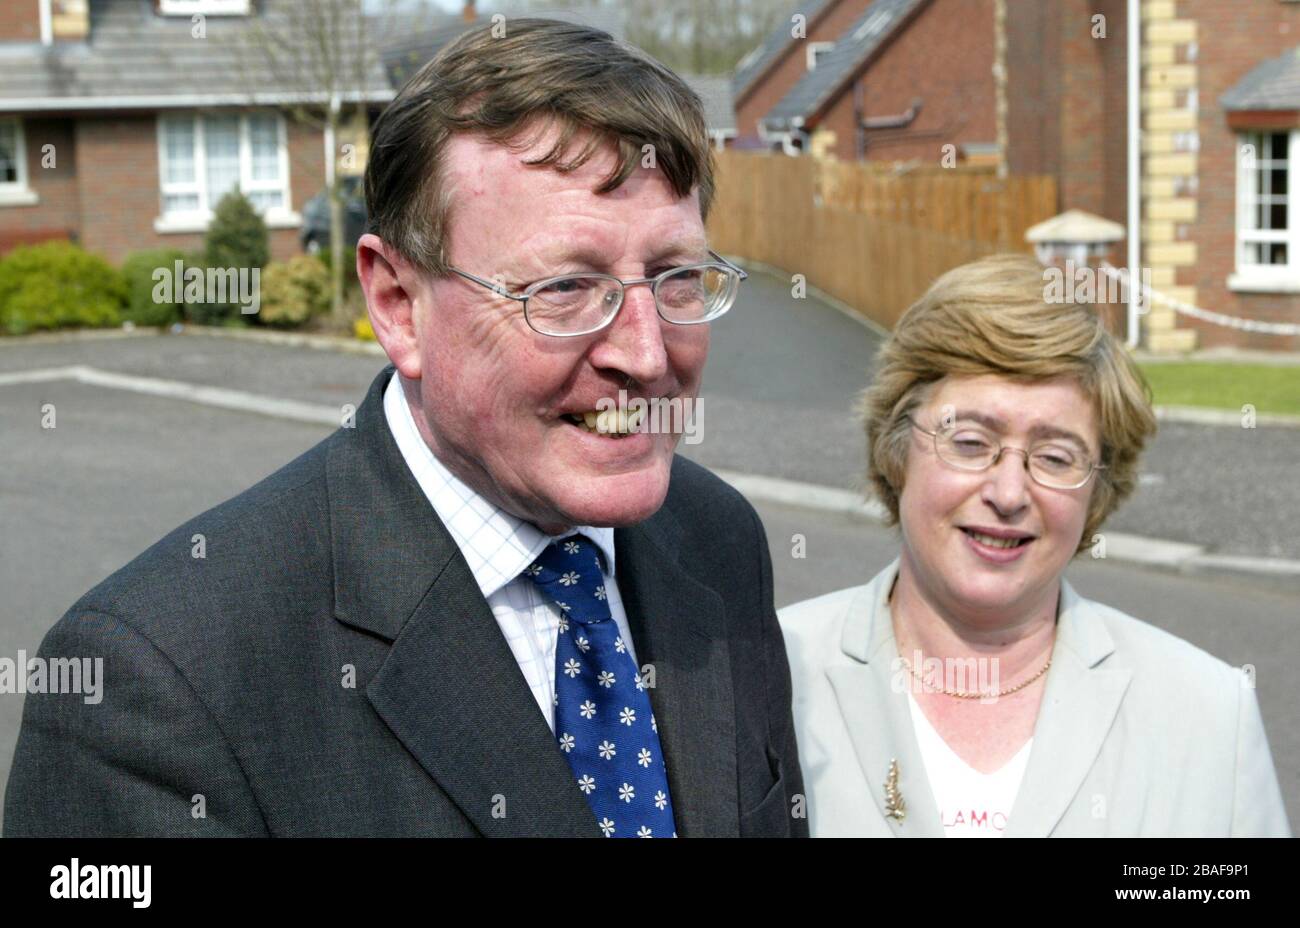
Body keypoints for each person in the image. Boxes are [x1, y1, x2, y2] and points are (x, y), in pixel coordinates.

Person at [4, 19, 805, 838]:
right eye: (565, 288)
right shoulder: (159, 687)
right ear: (398, 306)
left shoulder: (716, 539)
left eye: (676, 278)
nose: (645, 352)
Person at [778, 254, 1291, 837]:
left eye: (1054, 457)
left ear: (1098, 487)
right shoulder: (770, 674)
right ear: (897, 449)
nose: (1008, 492)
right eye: (970, 442)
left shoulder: (1208, 713)